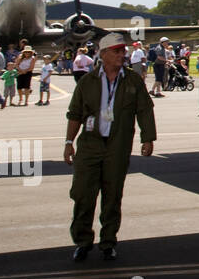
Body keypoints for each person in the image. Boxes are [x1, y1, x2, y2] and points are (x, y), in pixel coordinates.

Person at [64, 33, 156, 262]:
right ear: (103, 54)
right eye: (116, 51)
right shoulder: (87, 82)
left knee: (112, 196)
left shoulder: (133, 80)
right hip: (90, 145)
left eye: (122, 51)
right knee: (83, 195)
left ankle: (108, 242)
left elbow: (144, 109)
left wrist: (148, 138)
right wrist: (68, 143)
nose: (121, 55)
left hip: (118, 145)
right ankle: (83, 241)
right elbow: (75, 114)